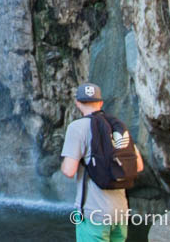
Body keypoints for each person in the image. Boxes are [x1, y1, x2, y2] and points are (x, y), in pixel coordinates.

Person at [61, 83, 144, 242]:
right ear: (101, 103)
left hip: (94, 213)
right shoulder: (117, 126)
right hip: (120, 213)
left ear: (77, 103)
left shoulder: (76, 127)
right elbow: (138, 166)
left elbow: (69, 171)